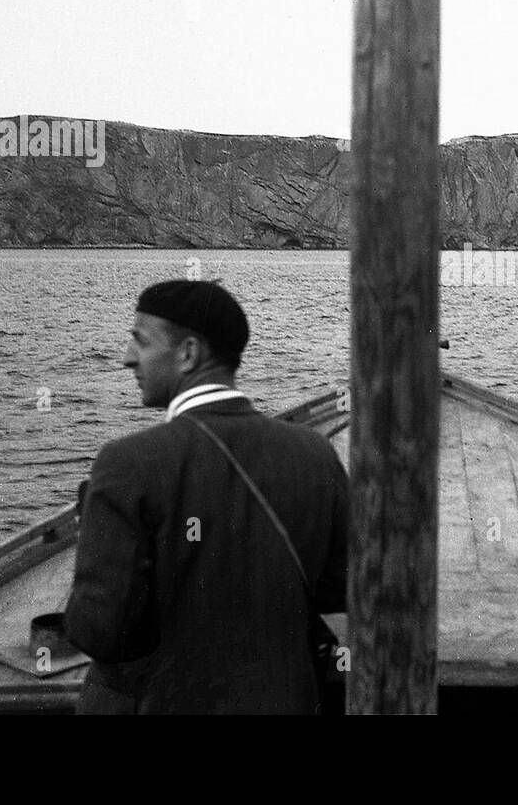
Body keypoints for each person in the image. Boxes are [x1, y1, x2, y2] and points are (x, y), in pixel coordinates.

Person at [65, 279, 349, 713]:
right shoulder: (315, 453)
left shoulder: (128, 463)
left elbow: (102, 632)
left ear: (188, 354)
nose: (127, 357)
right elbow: (340, 588)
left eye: (140, 341)